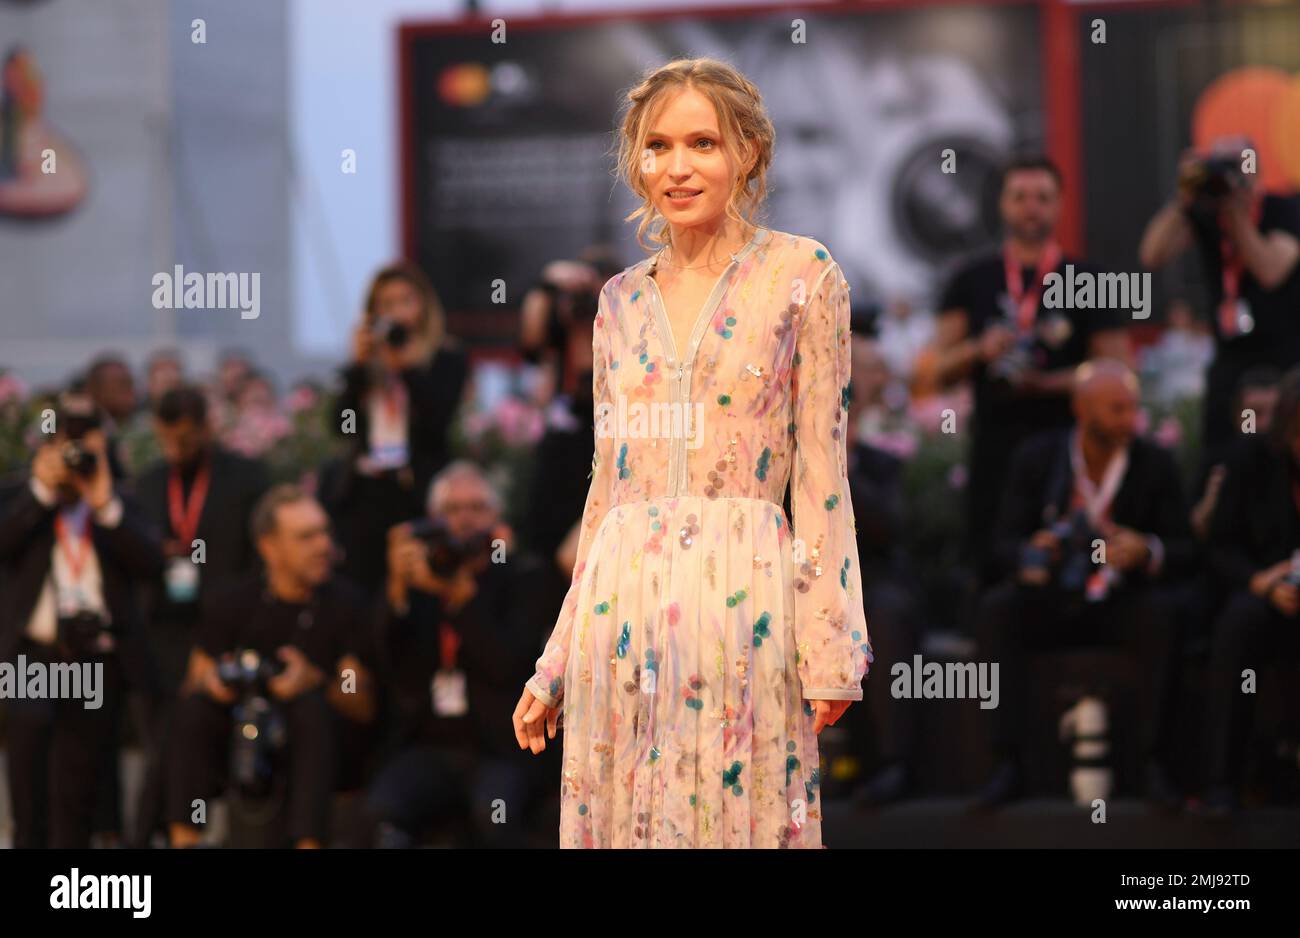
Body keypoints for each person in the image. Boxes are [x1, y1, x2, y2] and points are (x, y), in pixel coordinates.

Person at [510, 57, 873, 848]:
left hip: (744, 602)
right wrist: (556, 661)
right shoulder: (618, 302)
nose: (677, 167)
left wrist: (832, 640)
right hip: (623, 607)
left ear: (747, 152)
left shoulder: (804, 276)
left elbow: (821, 473)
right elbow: (606, 496)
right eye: (657, 147)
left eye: (702, 143)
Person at [970, 360, 1195, 811]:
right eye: (1117, 410)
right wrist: (1033, 551)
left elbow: (1189, 549)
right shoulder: (1037, 457)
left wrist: (1147, 549)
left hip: (1121, 598)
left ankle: (1155, 764)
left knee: (1164, 615)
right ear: (1082, 409)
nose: (1130, 420)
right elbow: (1000, 544)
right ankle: (1005, 764)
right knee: (998, 609)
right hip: (1053, 596)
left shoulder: (1155, 462)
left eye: (1133, 409)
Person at [934, 155, 1132, 583]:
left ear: (1059, 205)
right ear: (1002, 205)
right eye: (1020, 196)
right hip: (994, 447)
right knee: (992, 567)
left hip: (1066, 449)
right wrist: (979, 350)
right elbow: (933, 371)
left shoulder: (1088, 279)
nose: (1031, 207)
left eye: (1042, 197)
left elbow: (1117, 371)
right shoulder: (971, 278)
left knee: (1065, 566)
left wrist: (1049, 382)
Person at [166, 485, 377, 848]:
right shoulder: (233, 601)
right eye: (306, 537)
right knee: (193, 712)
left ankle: (308, 843)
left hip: (320, 745)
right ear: (269, 547)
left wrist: (315, 680)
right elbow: (193, 681)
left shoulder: (346, 604)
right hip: (241, 738)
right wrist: (215, 681)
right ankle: (184, 839)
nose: (324, 545)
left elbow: (360, 701)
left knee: (310, 710)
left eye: (325, 532)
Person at [0, 391, 163, 847]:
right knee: (28, 757)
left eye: (82, 442)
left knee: (80, 782)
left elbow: (152, 566)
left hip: (97, 657)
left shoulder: (119, 502)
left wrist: (104, 504)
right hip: (33, 655)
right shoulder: (18, 497)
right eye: (63, 442)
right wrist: (41, 492)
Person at [366, 462, 550, 847]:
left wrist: (463, 598)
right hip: (429, 746)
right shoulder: (420, 580)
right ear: (432, 521)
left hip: (500, 748)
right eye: (452, 509)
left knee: (494, 815)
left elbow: (508, 665)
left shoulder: (523, 576)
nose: (465, 519)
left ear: (497, 518)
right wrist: (397, 588)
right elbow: (388, 662)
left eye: (477, 508)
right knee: (381, 812)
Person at [130, 385, 270, 846]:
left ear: (207, 427)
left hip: (227, 633)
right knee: (164, 739)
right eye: (169, 440)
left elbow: (259, 564)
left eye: (187, 439)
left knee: (180, 737)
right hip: (162, 636)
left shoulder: (246, 480)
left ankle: (148, 834)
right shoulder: (148, 486)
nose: (178, 450)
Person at [1138, 136, 1300, 472]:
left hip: (1283, 357)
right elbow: (1152, 254)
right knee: (1229, 449)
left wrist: (1237, 210)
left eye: (1240, 165)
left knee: (1278, 446)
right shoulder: (1205, 211)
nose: (1230, 175)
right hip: (1231, 359)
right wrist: (1185, 195)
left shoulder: (1284, 210)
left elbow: (1270, 271)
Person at [323, 262, 469, 598]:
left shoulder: (445, 358)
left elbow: (437, 423)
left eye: (406, 301)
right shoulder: (367, 364)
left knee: (417, 593)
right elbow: (341, 425)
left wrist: (407, 368)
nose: (398, 312)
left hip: (418, 493)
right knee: (361, 592)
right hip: (366, 494)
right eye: (387, 304)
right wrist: (359, 369)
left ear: (424, 307)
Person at [1196, 366, 1300, 815]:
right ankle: (1223, 780)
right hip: (1263, 593)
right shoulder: (1248, 460)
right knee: (1239, 624)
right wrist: (1261, 582)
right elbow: (1217, 548)